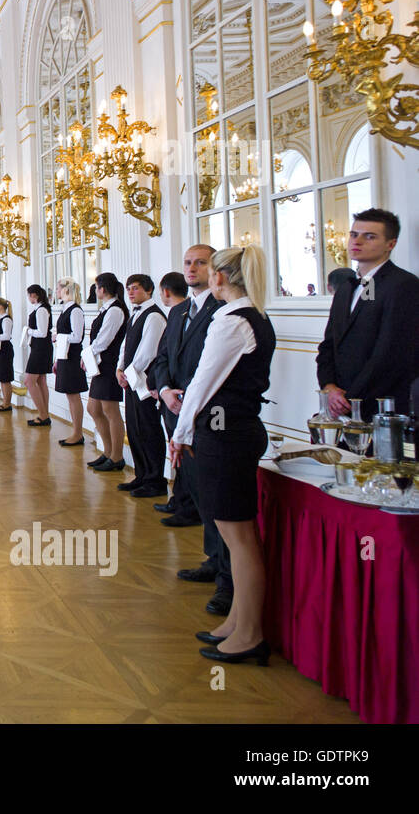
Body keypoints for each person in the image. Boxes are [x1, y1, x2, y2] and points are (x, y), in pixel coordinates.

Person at [169, 246, 276, 665]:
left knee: (240, 539)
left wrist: (178, 435)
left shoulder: (232, 321)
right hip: (230, 432)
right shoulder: (250, 316)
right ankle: (237, 621)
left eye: (209, 270)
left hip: (226, 435)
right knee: (236, 536)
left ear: (220, 278)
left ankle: (250, 633)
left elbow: (200, 385)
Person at [152, 244, 232, 616]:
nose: (192, 268)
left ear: (215, 268)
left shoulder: (224, 309)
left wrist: (188, 397)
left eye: (201, 262)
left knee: (216, 496)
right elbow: (165, 355)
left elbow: (212, 365)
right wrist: (166, 389)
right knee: (199, 490)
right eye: (187, 262)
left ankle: (227, 576)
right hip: (175, 407)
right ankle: (213, 558)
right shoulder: (179, 310)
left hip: (207, 413)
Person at [316, 208, 419, 421]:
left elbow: (391, 354)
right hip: (339, 405)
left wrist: (352, 400)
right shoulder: (345, 288)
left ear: (391, 244)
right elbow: (329, 344)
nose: (358, 241)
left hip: (382, 408)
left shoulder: (404, 285)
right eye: (354, 234)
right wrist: (329, 387)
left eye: (369, 236)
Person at [115, 274, 168, 497]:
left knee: (149, 429)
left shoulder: (154, 316)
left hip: (145, 382)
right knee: (135, 429)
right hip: (131, 379)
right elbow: (126, 345)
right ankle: (141, 474)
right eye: (128, 289)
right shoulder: (134, 315)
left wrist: (128, 372)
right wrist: (119, 368)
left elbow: (148, 351)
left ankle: (155, 480)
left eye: (135, 288)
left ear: (148, 290)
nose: (130, 292)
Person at [145, 272, 188, 511]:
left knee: (180, 449)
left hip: (177, 394)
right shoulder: (175, 315)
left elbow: (166, 356)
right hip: (169, 391)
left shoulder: (177, 315)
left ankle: (183, 502)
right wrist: (160, 386)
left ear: (164, 292)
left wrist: (163, 387)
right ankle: (180, 500)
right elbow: (163, 357)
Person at [85, 272, 129, 472]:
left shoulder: (116, 310)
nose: (95, 291)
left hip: (109, 365)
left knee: (110, 411)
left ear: (102, 289)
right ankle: (108, 451)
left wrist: (87, 355)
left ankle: (117, 456)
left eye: (96, 287)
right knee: (94, 409)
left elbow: (104, 340)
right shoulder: (107, 309)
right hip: (100, 365)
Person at [53, 277, 87, 447]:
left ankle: (77, 432)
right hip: (64, 356)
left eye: (59, 288)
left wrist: (57, 337)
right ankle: (76, 431)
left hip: (73, 357)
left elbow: (77, 336)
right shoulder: (65, 308)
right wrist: (57, 360)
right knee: (70, 395)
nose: (56, 291)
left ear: (66, 290)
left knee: (74, 395)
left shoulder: (75, 310)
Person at [23, 285, 52, 426]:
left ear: (34, 295)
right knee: (40, 381)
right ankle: (44, 414)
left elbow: (42, 332)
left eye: (29, 295)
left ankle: (43, 414)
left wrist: (29, 331)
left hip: (41, 348)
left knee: (29, 380)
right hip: (39, 347)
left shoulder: (41, 310)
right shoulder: (40, 309)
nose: (28, 298)